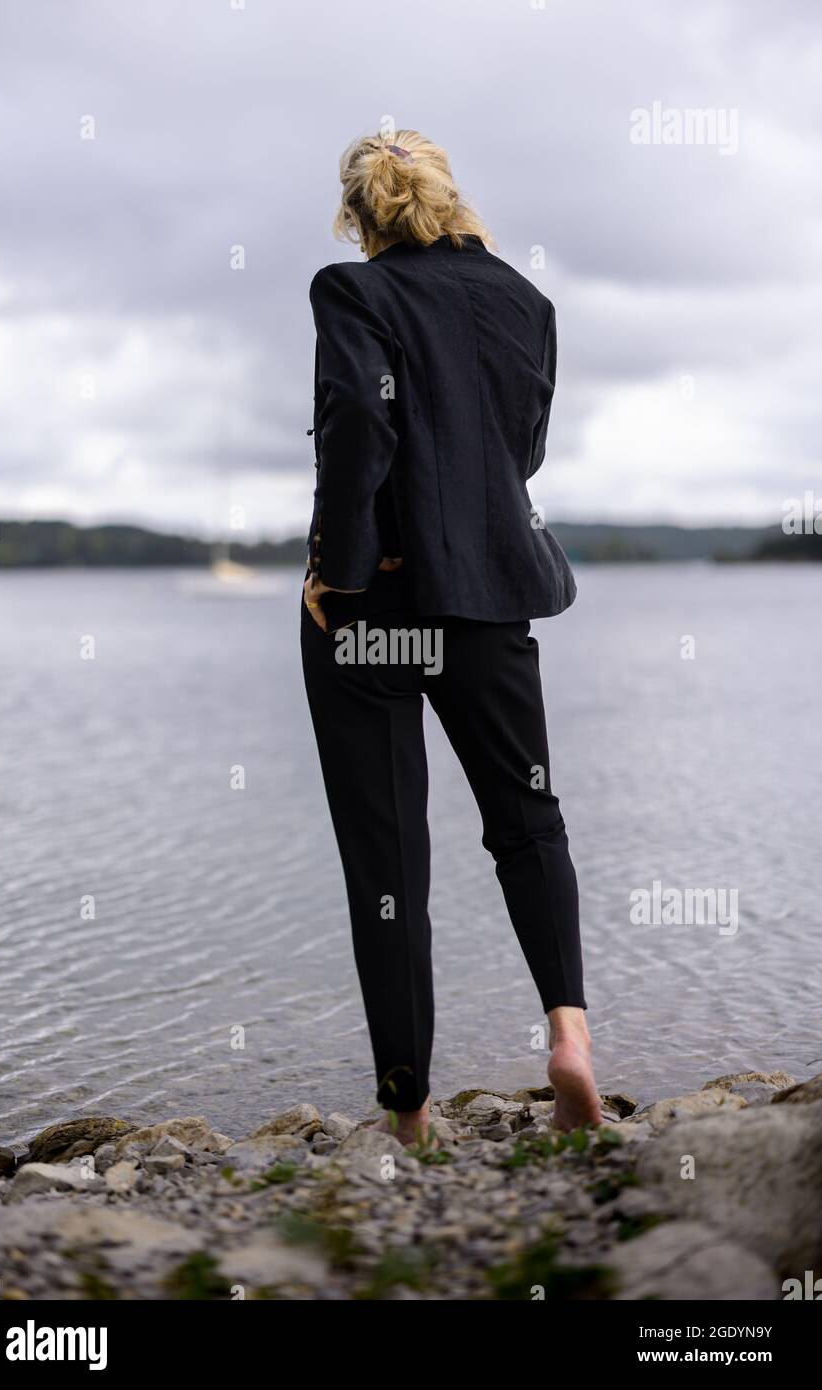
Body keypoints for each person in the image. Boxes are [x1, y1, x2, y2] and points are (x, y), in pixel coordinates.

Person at [300, 129, 600, 1145]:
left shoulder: (353, 293)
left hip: (375, 611)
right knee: (529, 823)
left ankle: (410, 1111)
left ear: (358, 215)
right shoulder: (526, 302)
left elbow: (356, 428)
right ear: (447, 194)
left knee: (386, 859)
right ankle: (568, 1038)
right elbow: (521, 449)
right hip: (488, 601)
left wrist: (334, 570)